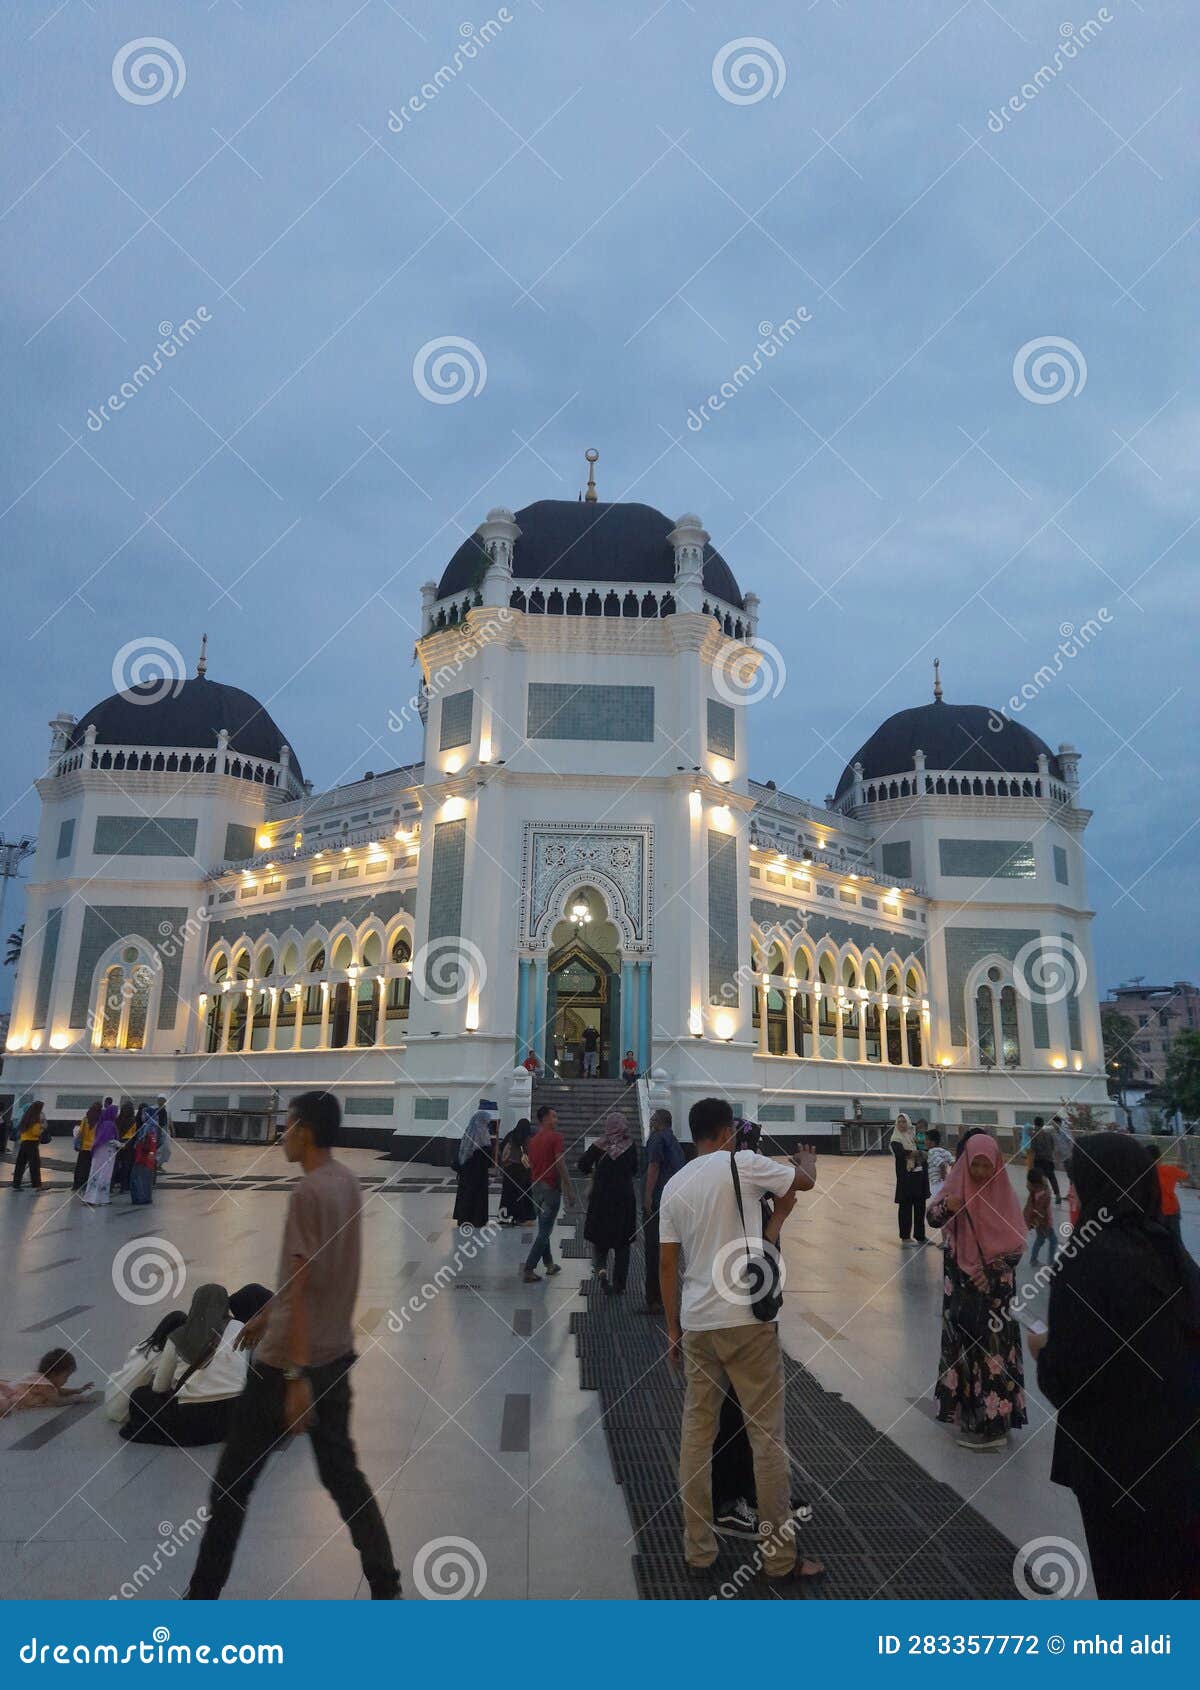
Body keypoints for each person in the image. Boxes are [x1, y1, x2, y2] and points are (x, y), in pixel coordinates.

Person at [186, 1091, 400, 1600]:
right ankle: (386, 1586)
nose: (282, 1133)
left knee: (231, 1486)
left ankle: (201, 1599)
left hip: (284, 1369)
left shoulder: (307, 1193)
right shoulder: (347, 1183)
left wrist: (295, 1375)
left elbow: (301, 1285)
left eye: (287, 1123)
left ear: (305, 1129)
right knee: (345, 1479)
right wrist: (265, 1314)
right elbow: (310, 1278)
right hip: (336, 1357)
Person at [658, 1096, 822, 1583]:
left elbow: (666, 1265)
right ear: (727, 1131)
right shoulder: (743, 1164)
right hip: (747, 1322)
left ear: (694, 1134)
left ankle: (699, 1552)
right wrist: (806, 1159)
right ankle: (779, 1559)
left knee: (696, 1437)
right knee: (766, 1439)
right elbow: (804, 1182)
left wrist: (673, 1329)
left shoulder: (674, 1185)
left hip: (698, 1322)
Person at [1031, 1133, 1200, 1599]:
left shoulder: (1084, 1262)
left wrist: (1043, 1349)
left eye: (1078, 1183)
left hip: (1115, 1464)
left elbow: (1066, 1379)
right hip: (1182, 1461)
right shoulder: (1171, 1253)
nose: (1072, 1194)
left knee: (1128, 1586)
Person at [926, 1134, 1028, 1452]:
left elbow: (1016, 1244)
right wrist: (947, 1206)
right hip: (959, 1286)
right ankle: (971, 1416)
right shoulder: (956, 1188)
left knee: (992, 1354)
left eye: (987, 1166)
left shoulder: (1003, 1195)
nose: (982, 1172)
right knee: (965, 1351)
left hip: (992, 1292)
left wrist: (991, 1272)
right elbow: (932, 1218)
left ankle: (993, 1425)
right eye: (976, 1165)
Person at [123, 1284, 263, 1447]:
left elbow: (160, 1388)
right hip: (233, 1416)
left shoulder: (178, 1335)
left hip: (192, 1418)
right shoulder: (240, 1328)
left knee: (140, 1396)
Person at [578, 1112, 638, 1294]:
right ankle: (619, 1284)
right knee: (623, 1244)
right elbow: (635, 1169)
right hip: (624, 1199)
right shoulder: (630, 1146)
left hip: (601, 1198)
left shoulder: (600, 1145)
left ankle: (602, 1271)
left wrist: (594, 1173)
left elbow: (582, 1164)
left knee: (600, 1239)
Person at [105, 1311, 187, 1426]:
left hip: (110, 1398)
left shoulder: (144, 1344)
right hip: (126, 1410)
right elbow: (163, 1387)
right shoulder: (163, 1356)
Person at [522, 1105, 574, 1284]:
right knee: (545, 1232)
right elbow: (560, 1162)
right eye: (554, 1116)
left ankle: (549, 1264)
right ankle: (529, 1268)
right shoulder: (555, 1137)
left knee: (544, 1228)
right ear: (544, 1118)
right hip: (550, 1188)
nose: (556, 1120)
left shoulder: (533, 1141)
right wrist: (568, 1188)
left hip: (536, 1187)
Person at [642, 1107, 685, 1312]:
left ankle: (654, 1299)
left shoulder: (657, 1139)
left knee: (652, 1249)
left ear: (659, 1122)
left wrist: (647, 1196)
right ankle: (667, 1297)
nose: (650, 1121)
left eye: (653, 1118)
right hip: (674, 1200)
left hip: (659, 1199)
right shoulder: (674, 1140)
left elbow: (654, 1166)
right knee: (668, 1249)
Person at [1, 1348, 95, 1416]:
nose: (67, 1380)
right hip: (7, 1398)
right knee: (4, 1408)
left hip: (7, 1394)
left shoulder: (43, 1380)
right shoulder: (44, 1385)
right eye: (65, 1376)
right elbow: (58, 1401)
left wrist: (77, 1390)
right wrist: (77, 1399)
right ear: (53, 1374)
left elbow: (58, 1391)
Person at [891, 1113, 929, 1244]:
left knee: (920, 1207)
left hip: (919, 1176)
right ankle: (905, 1237)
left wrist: (920, 1153)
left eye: (904, 1121)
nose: (902, 1124)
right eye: (899, 1122)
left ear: (908, 1122)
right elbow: (900, 1153)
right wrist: (916, 1153)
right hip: (906, 1178)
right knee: (905, 1207)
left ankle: (920, 1236)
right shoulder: (895, 1138)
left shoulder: (913, 1136)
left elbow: (924, 1150)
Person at [452, 1110, 493, 1230]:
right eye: (486, 1122)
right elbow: (484, 1153)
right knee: (477, 1195)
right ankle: (477, 1219)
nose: (487, 1125)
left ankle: (463, 1218)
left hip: (466, 1169)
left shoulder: (468, 1131)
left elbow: (464, 1152)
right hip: (478, 1170)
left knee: (466, 1194)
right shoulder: (482, 1134)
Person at [80, 1100, 119, 1206]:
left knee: (95, 1173)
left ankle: (90, 1197)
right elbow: (108, 1139)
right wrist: (119, 1144)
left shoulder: (102, 1123)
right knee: (104, 1174)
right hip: (107, 1152)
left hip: (99, 1152)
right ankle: (100, 1198)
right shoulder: (109, 1124)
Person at [497, 1117, 535, 1226]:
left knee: (507, 1194)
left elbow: (501, 1148)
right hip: (522, 1169)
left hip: (509, 1168)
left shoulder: (511, 1135)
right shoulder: (527, 1138)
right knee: (522, 1193)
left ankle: (504, 1217)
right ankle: (522, 1217)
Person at [1149, 1142, 1188, 1244]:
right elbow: (1186, 1176)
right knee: (1176, 1240)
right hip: (1172, 1209)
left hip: (1155, 1211)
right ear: (1160, 1158)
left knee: (1157, 1241)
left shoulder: (1144, 1174)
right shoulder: (1170, 1170)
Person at [1024, 1166, 1057, 1267]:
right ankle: (1051, 1261)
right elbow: (1039, 1212)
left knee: (1040, 1240)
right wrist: (1045, 1225)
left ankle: (1033, 1260)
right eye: (1043, 1177)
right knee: (1053, 1241)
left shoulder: (1038, 1190)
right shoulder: (1041, 1194)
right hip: (1044, 1223)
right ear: (1038, 1183)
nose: (1045, 1178)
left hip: (1042, 1222)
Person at [10, 1101, 46, 1190]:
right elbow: (35, 1132)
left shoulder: (25, 1117)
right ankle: (37, 1184)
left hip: (24, 1142)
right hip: (32, 1143)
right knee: (35, 1165)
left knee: (20, 1164)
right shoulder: (35, 1119)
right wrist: (42, 1128)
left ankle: (16, 1184)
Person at [128, 1105, 159, 1205]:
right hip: (148, 1159)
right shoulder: (154, 1126)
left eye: (143, 1114)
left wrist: (148, 1152)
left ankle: (139, 1198)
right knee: (146, 1179)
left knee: (138, 1178)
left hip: (142, 1157)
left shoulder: (146, 1127)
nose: (142, 1116)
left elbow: (146, 1142)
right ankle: (146, 1197)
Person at [1028, 1115, 1061, 1201]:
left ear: (1035, 1124)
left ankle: (1042, 1196)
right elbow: (1053, 1147)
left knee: (1039, 1179)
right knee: (1052, 1177)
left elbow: (1032, 1150)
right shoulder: (1049, 1134)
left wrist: (1031, 1165)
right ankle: (1057, 1195)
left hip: (1039, 1160)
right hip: (1049, 1159)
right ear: (1043, 1124)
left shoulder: (1034, 1135)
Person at [72, 1102, 101, 1191]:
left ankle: (77, 1184)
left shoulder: (85, 1119)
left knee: (80, 1166)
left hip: (84, 1147)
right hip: (93, 1148)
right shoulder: (100, 1120)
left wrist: (77, 1144)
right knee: (90, 1167)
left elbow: (80, 1133)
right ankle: (86, 1185)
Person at [111, 1100, 137, 1195]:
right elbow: (133, 1134)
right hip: (128, 1146)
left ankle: (111, 1185)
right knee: (126, 1166)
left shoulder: (117, 1120)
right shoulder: (133, 1121)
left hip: (117, 1144)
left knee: (115, 1166)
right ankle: (124, 1186)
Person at [926, 1127, 954, 1198]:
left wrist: (942, 1178)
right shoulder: (944, 1151)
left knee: (937, 1202)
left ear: (932, 1142)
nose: (924, 1142)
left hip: (936, 1183)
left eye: (926, 1139)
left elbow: (942, 1164)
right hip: (946, 1183)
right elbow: (954, 1164)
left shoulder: (931, 1152)